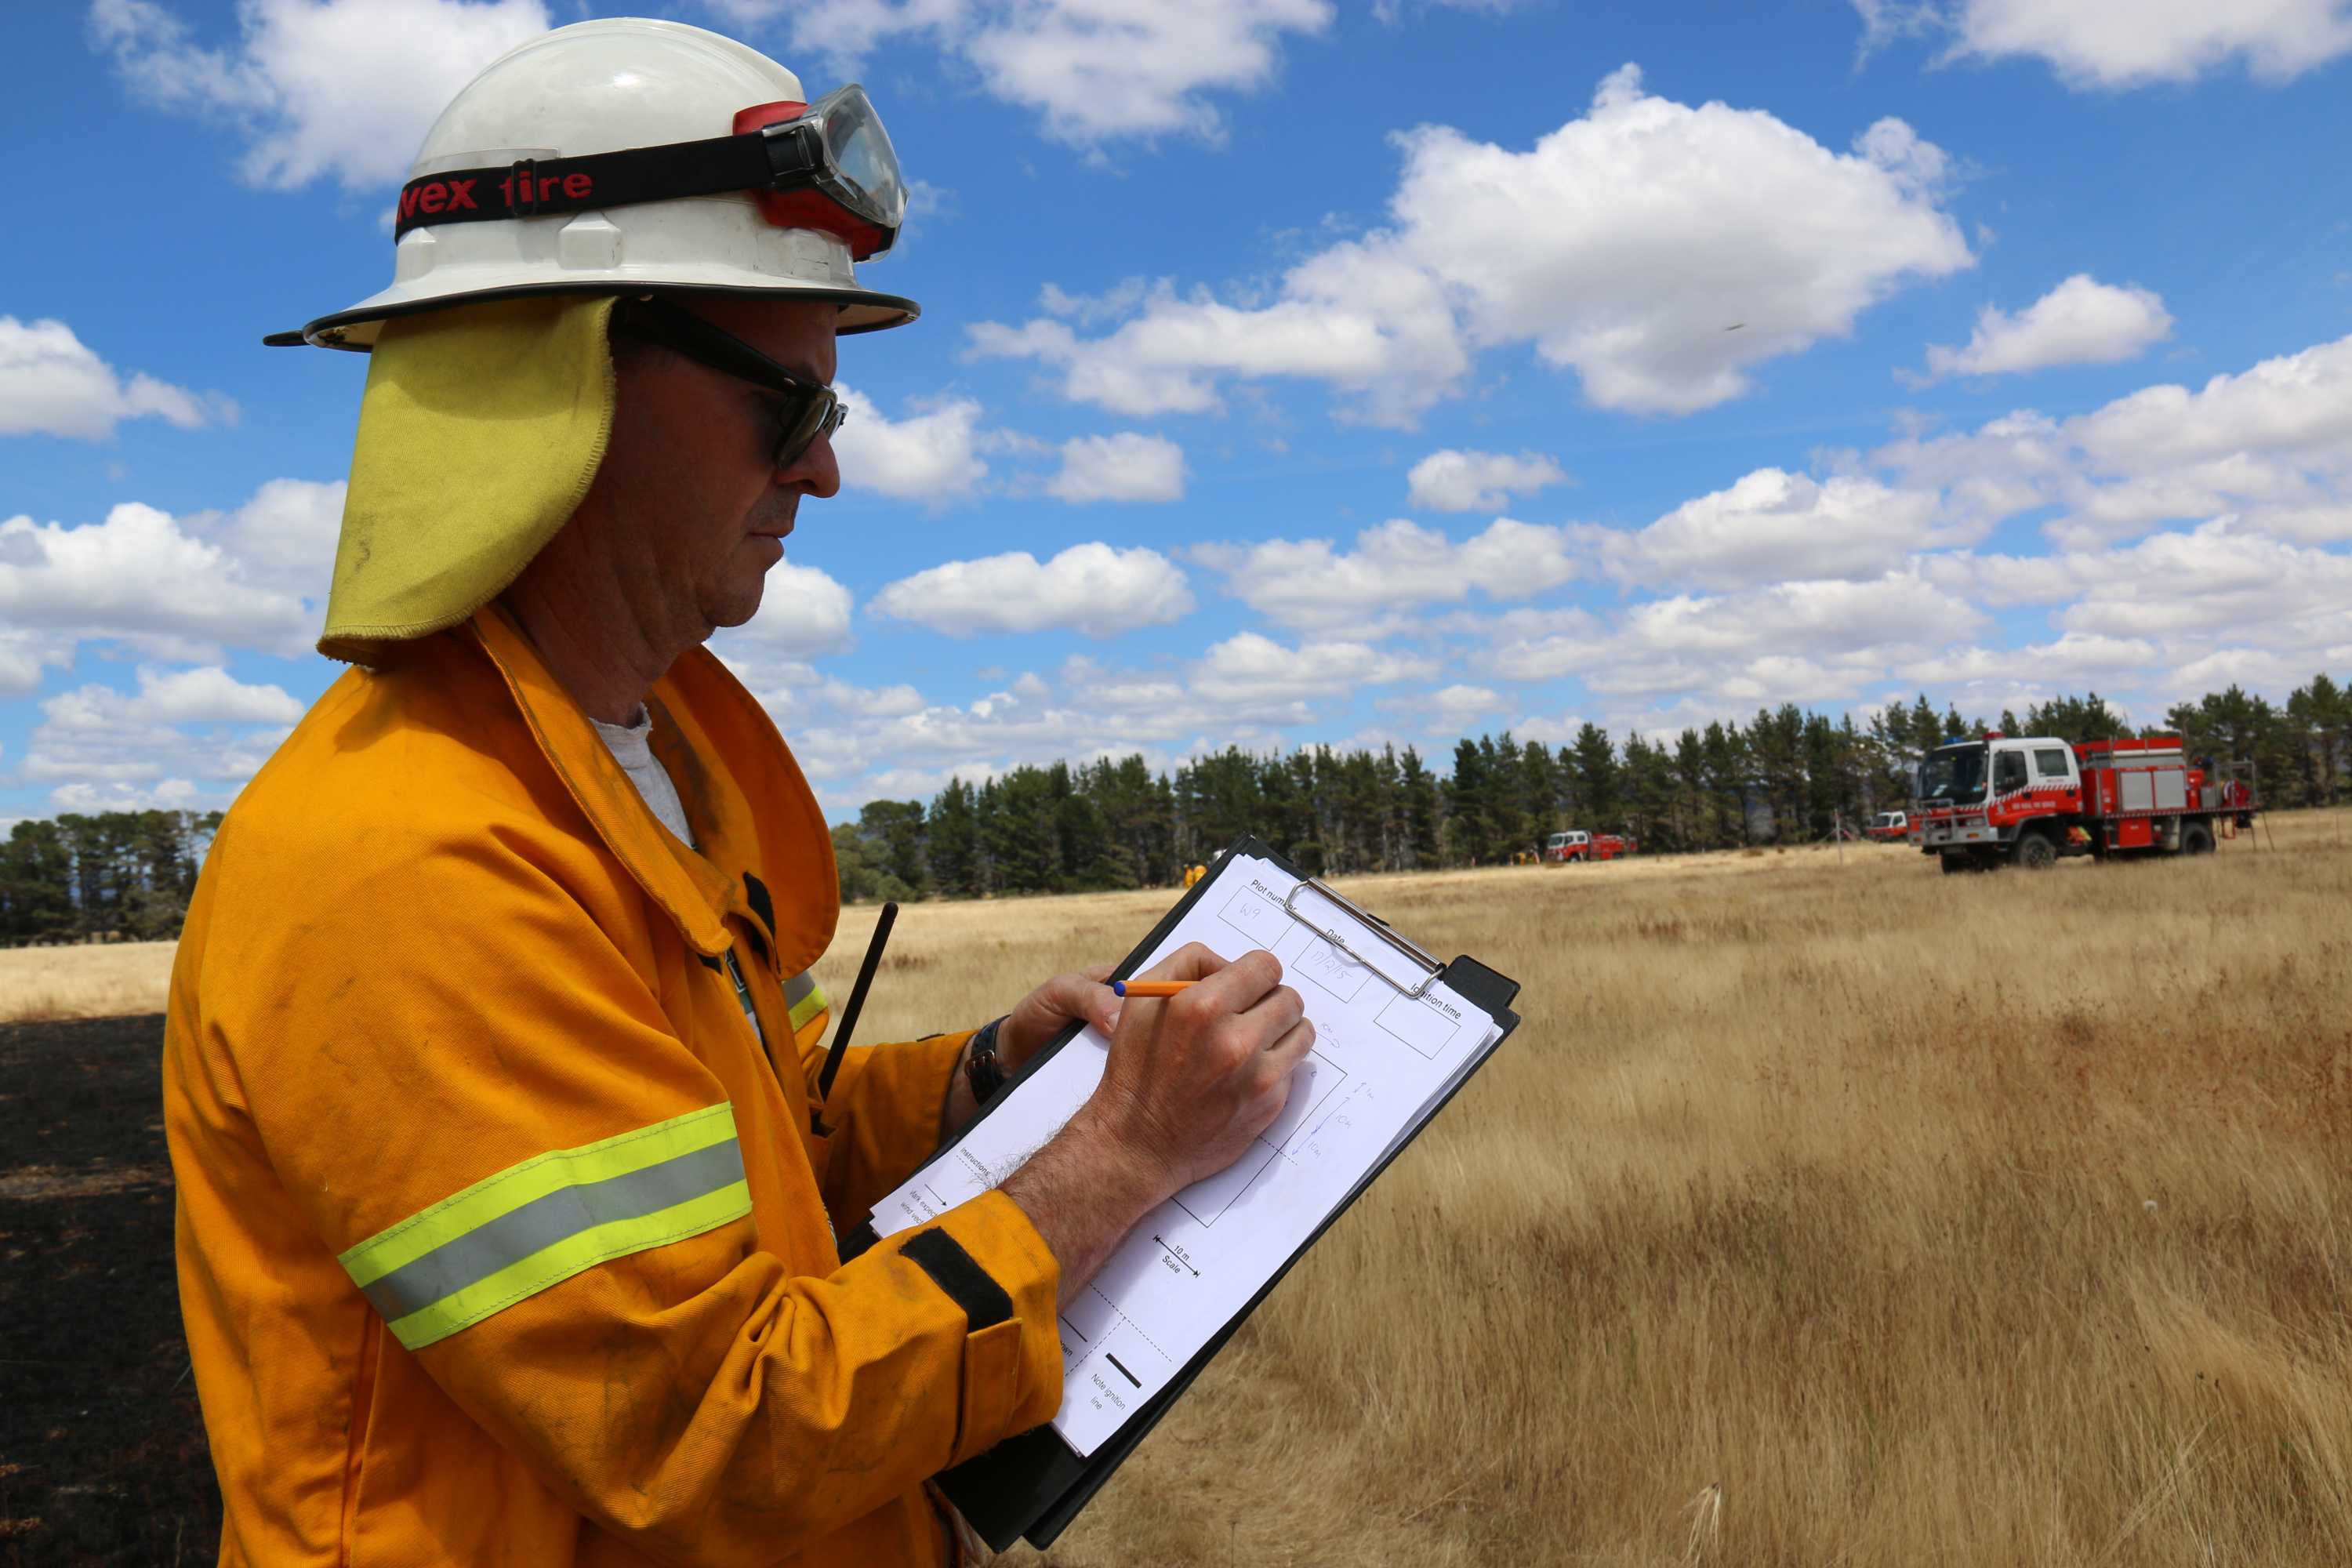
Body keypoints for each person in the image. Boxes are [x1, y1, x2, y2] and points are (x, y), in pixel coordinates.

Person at [162, 19, 1313, 1567]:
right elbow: (713, 1422)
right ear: (561, 377)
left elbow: (732, 1186)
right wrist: (1117, 1156)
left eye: (828, 418)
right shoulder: (411, 865)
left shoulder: (623, 776)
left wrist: (981, 1079)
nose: (823, 475)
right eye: (790, 409)